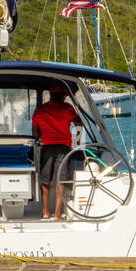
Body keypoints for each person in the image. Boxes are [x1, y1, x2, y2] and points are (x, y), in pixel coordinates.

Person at [31, 83, 79, 219]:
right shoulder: (68, 109)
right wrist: (77, 139)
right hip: (64, 147)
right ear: (63, 96)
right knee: (61, 180)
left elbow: (35, 133)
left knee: (45, 181)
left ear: (51, 95)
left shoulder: (40, 110)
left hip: (47, 146)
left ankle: (45, 212)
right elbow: (78, 123)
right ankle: (57, 214)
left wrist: (44, 132)